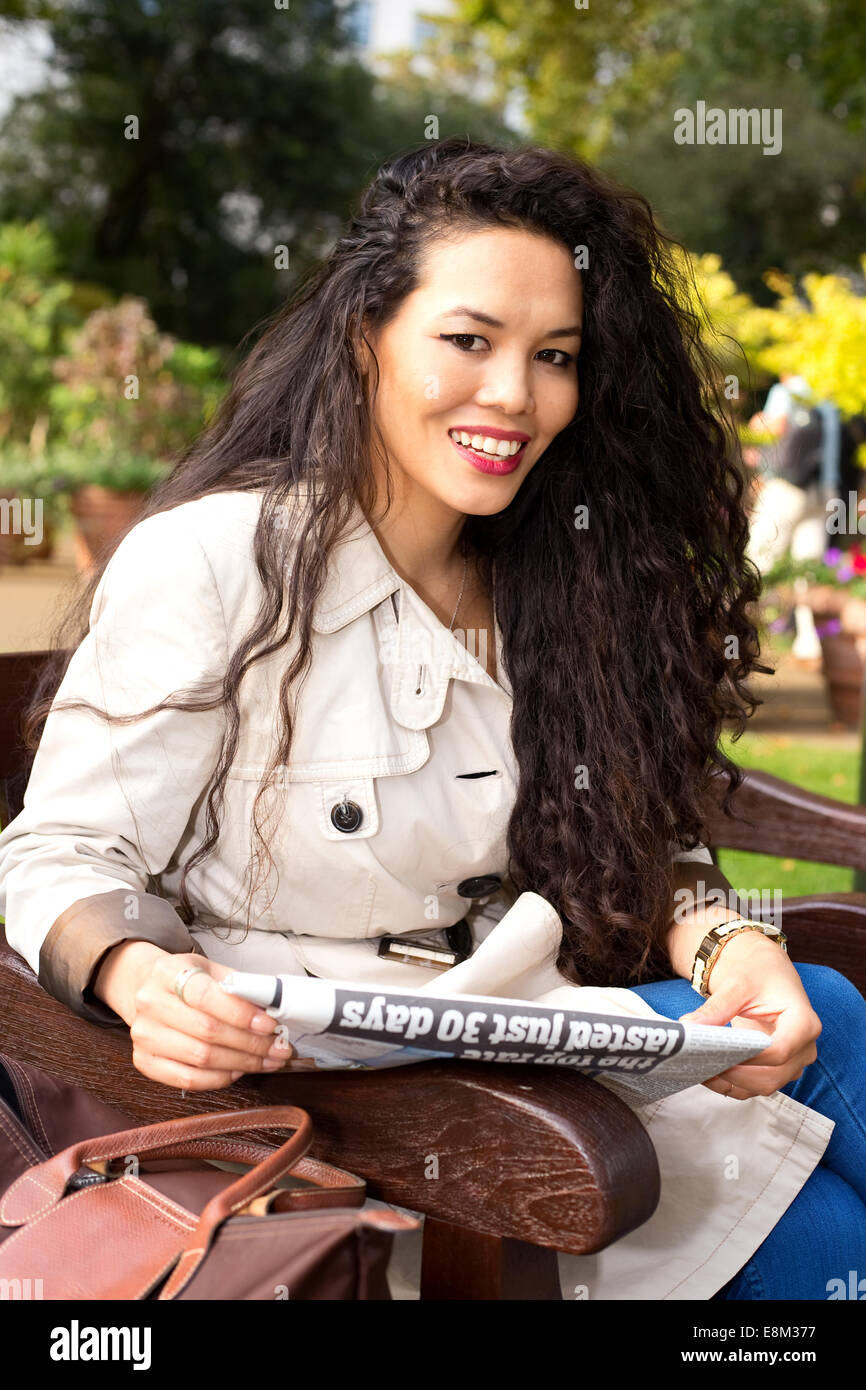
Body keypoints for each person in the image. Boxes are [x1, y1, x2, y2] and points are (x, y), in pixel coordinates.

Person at [0, 138, 862, 1301]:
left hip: (546, 1044)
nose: (512, 394)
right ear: (365, 338)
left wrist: (718, 936)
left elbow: (631, 837)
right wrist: (137, 975)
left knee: (832, 1017)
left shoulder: (558, 584)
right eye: (468, 340)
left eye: (551, 355)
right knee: (824, 1248)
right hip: (359, 1113)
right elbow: (59, 851)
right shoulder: (215, 563)